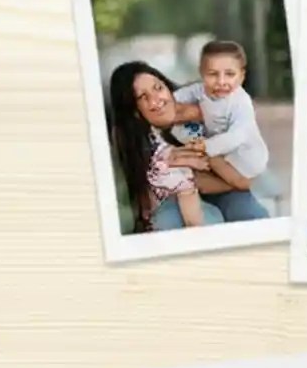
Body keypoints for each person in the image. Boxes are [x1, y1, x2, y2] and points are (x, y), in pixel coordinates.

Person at [107, 61, 269, 233]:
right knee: (173, 220)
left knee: (250, 213)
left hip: (221, 185)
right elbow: (192, 183)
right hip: (178, 196)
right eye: (143, 97)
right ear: (134, 110)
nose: (157, 100)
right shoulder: (138, 140)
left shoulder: (201, 107)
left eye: (158, 88)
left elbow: (241, 176)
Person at [172, 40, 271, 193]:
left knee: (237, 179)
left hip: (245, 152)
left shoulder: (240, 102)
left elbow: (238, 135)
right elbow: (178, 97)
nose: (221, 82)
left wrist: (207, 147)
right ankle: (207, 183)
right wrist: (168, 103)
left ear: (241, 76)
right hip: (220, 148)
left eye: (230, 74)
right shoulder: (200, 90)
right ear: (202, 73)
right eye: (213, 74)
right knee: (207, 160)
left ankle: (232, 185)